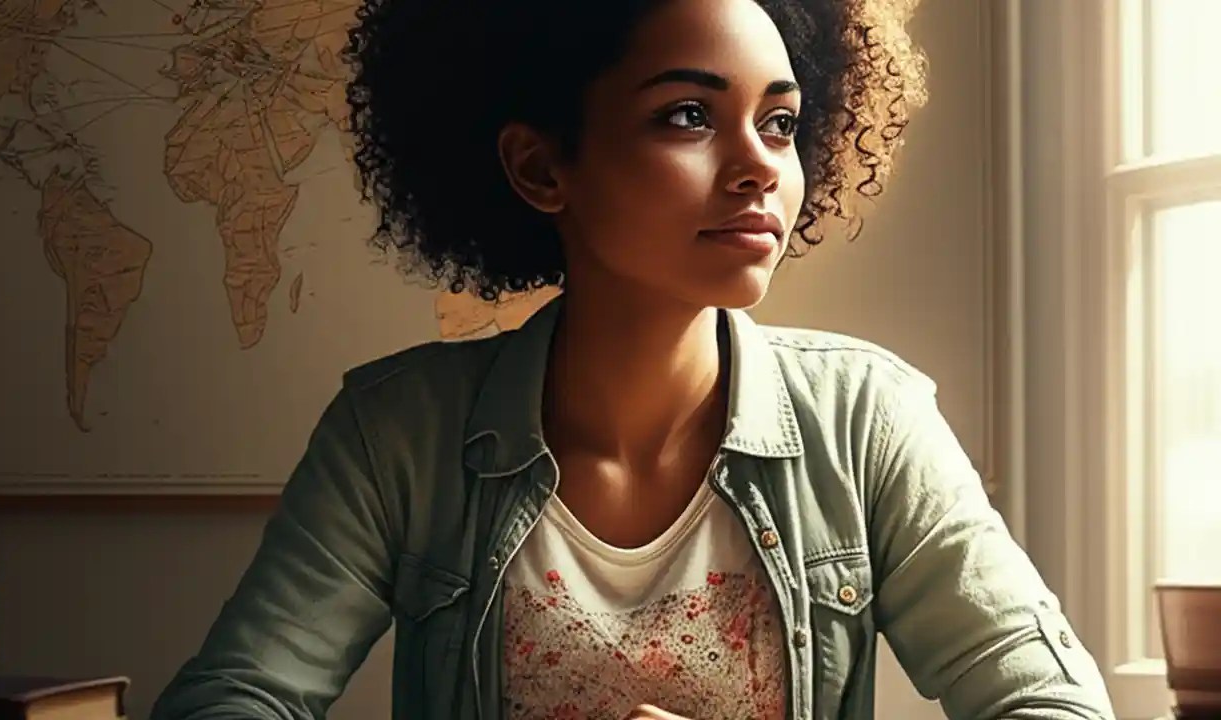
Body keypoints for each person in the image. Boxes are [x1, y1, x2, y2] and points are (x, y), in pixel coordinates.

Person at [151, 0, 1117, 718]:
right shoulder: (395, 434)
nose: (760, 166)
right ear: (541, 168)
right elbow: (235, 698)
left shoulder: (867, 419)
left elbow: (1053, 706)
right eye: (688, 116)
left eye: (780, 122)